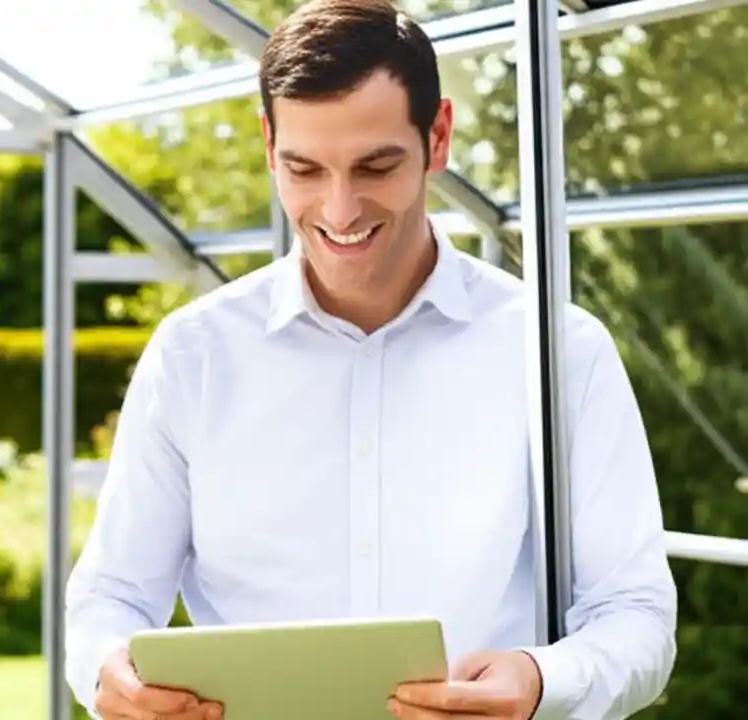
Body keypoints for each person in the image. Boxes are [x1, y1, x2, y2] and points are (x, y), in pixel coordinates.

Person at [63, 0, 678, 718]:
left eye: (376, 166)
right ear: (268, 144)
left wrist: (542, 679)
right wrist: (108, 668)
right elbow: (111, 595)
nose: (340, 209)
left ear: (437, 136)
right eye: (303, 169)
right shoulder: (192, 356)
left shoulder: (559, 351)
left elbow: (635, 615)